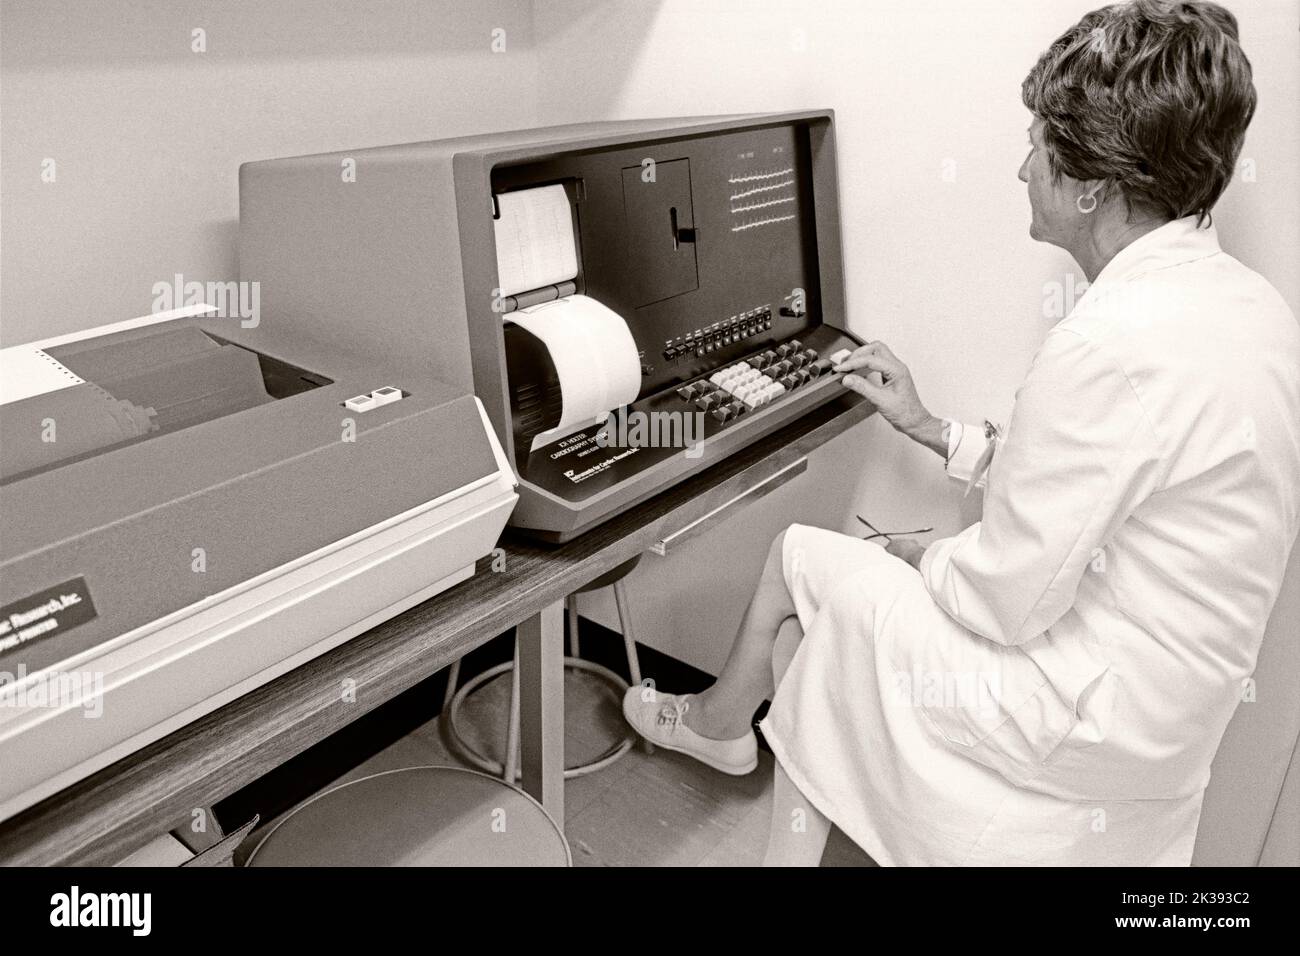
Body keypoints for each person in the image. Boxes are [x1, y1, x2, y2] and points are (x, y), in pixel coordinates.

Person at [624, 0, 1300, 865]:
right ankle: (727, 729)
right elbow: (1096, 490)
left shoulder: (1108, 344)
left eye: (1037, 147)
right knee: (832, 605)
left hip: (1079, 719)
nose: (1022, 169)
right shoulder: (1248, 310)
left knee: (808, 559)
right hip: (1167, 720)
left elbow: (1002, 600)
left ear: (1091, 184)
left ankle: (720, 730)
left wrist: (919, 559)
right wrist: (931, 428)